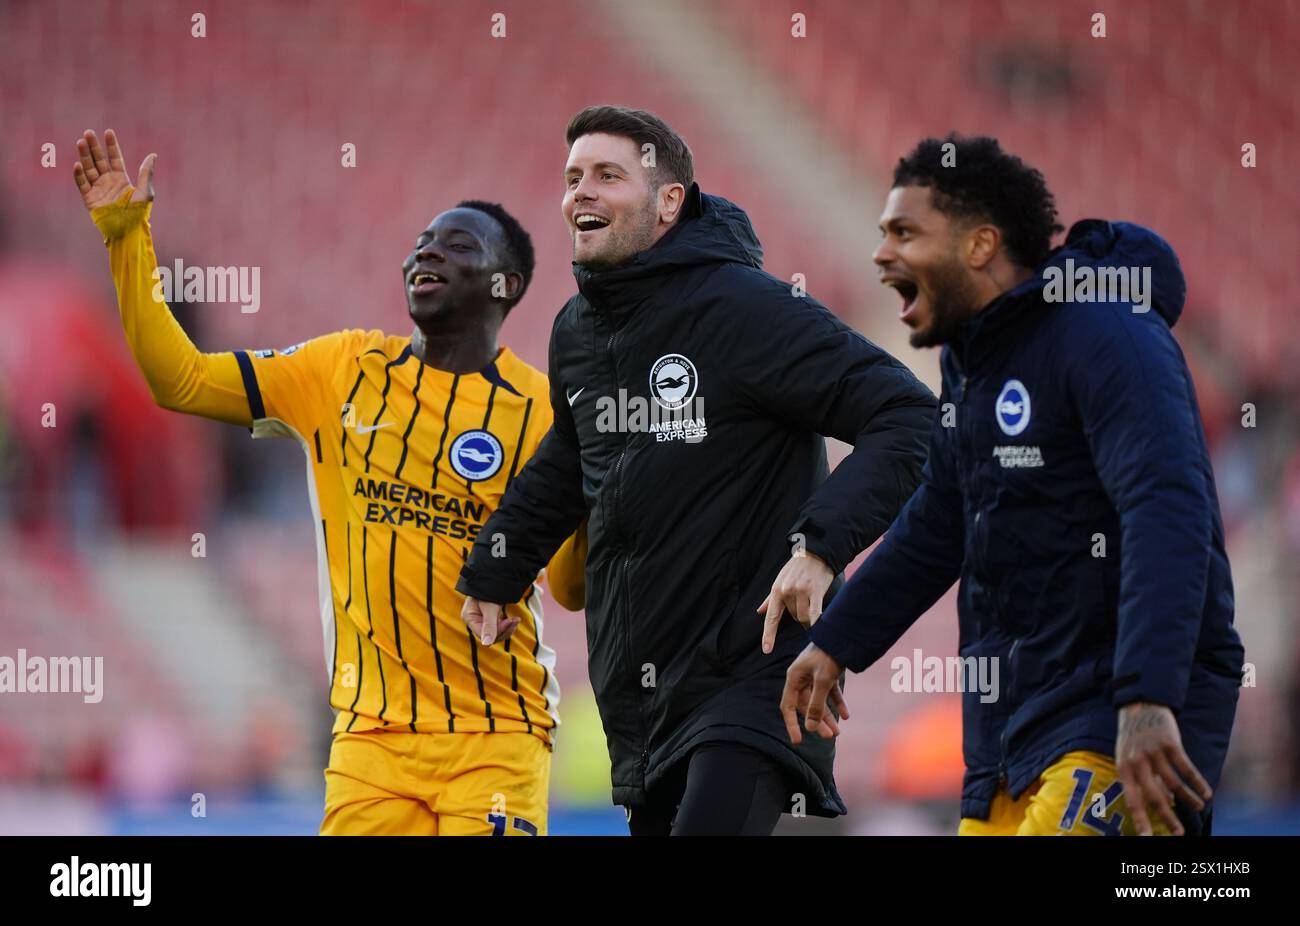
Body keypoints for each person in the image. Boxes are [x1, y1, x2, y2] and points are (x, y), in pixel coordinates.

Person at [74, 128, 583, 836]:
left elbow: (570, 587)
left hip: (495, 736)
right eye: (422, 241)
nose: (427, 252)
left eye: (459, 245)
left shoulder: (543, 414)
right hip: (370, 742)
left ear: (507, 285)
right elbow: (181, 378)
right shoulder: (339, 371)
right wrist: (127, 241)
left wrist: (604, 495)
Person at [456, 106, 936, 835]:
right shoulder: (578, 331)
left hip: (747, 682)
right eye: (572, 178)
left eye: (607, 175)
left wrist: (820, 548)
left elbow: (908, 417)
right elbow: (566, 464)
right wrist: (496, 567)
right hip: (641, 703)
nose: (580, 192)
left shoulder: (747, 309)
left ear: (669, 201)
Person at [782, 134, 1244, 836]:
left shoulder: (1104, 333)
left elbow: (1166, 509)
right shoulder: (976, 371)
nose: (881, 254)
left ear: (979, 245)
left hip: (1116, 722)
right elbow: (936, 528)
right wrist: (836, 642)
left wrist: (1148, 699)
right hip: (1011, 740)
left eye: (905, 232)